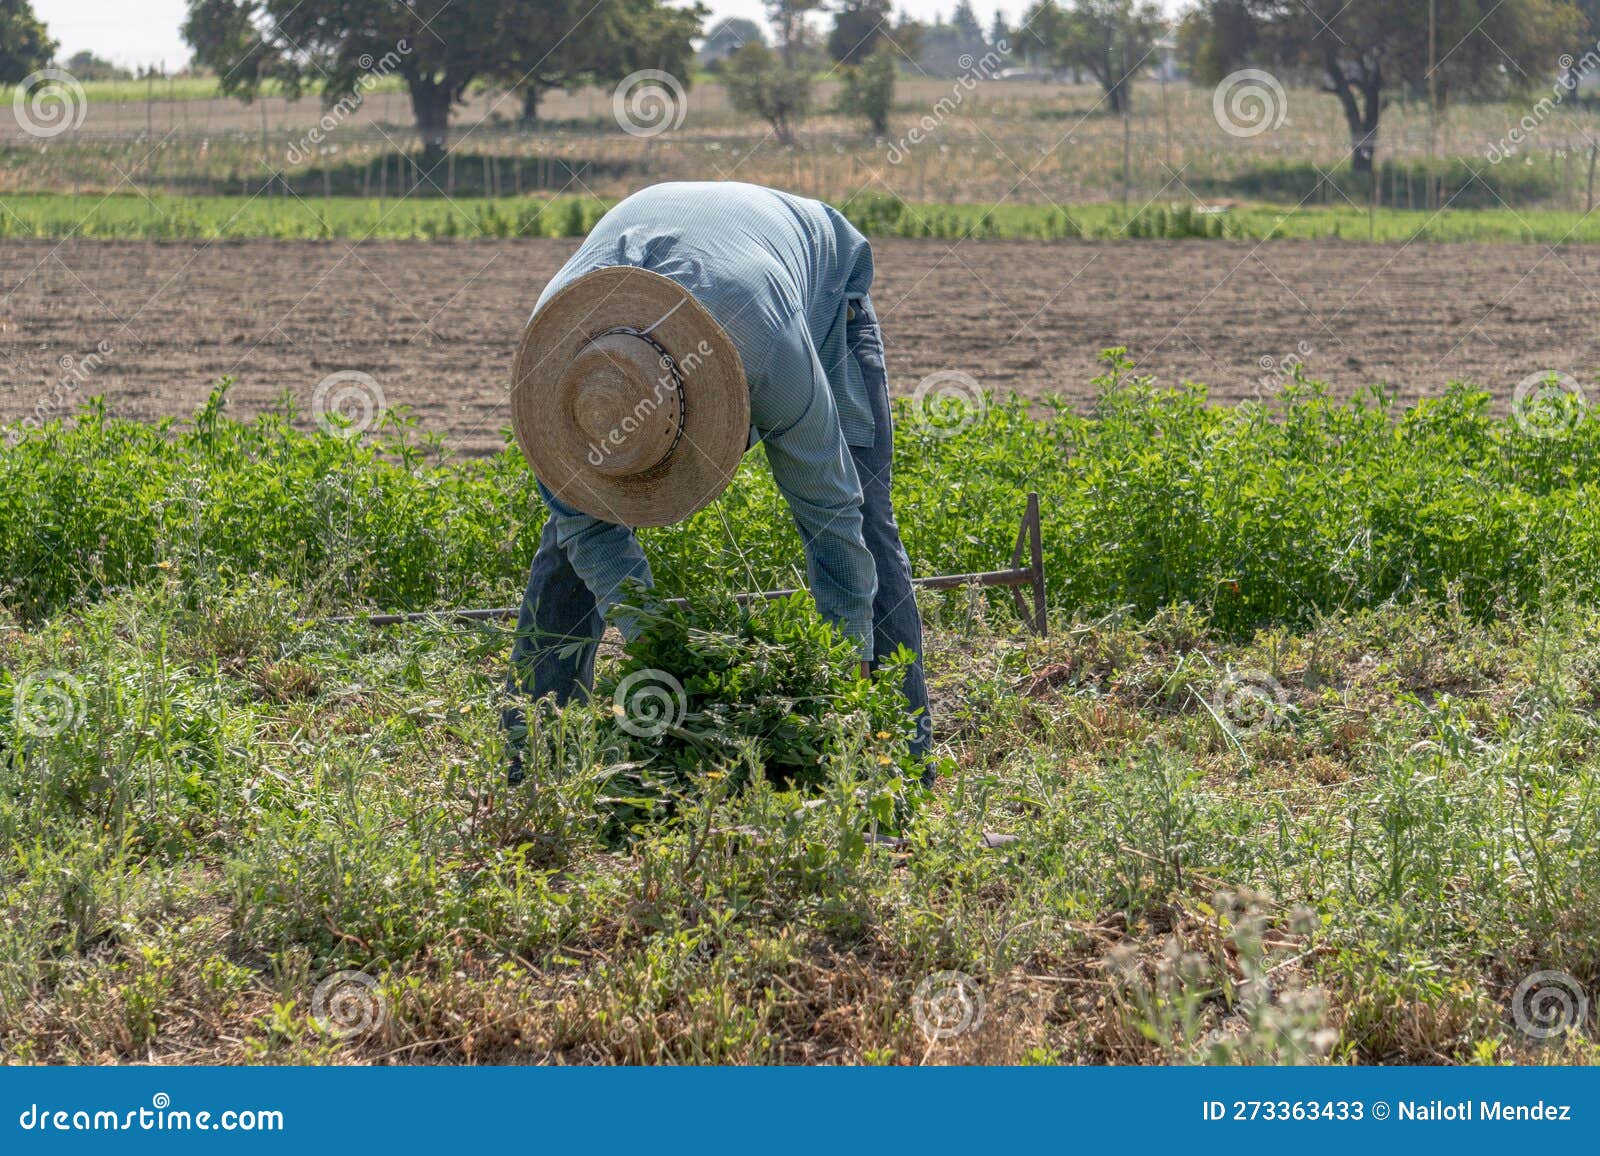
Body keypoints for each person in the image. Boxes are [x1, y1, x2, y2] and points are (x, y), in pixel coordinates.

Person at [501, 180, 929, 785]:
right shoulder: (557, 373)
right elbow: (590, 534)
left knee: (868, 525)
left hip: (824, 295)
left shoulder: (774, 360)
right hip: (703, 263)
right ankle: (537, 765)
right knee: (576, 529)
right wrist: (659, 651)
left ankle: (894, 770)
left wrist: (849, 675)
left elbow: (834, 519)